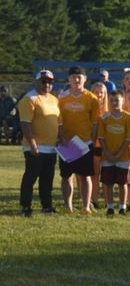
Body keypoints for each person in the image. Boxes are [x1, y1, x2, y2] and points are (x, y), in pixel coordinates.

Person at [18, 70, 62, 217]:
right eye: (44, 81)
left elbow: (57, 122)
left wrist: (61, 138)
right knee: (31, 177)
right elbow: (25, 123)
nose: (47, 84)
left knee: (47, 179)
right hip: (35, 146)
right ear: (36, 82)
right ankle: (25, 206)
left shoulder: (54, 99)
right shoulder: (29, 99)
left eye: (50, 82)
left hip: (51, 148)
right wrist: (32, 143)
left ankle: (47, 206)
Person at [57, 66, 100, 213]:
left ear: (85, 79)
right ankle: (68, 206)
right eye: (73, 77)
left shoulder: (91, 98)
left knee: (85, 176)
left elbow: (95, 122)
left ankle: (85, 206)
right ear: (69, 79)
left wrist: (93, 140)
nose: (76, 80)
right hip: (66, 143)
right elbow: (59, 121)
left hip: (84, 143)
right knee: (66, 176)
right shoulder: (62, 98)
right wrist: (62, 138)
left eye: (79, 77)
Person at [97, 89, 130, 216]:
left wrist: (118, 154)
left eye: (117, 100)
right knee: (108, 183)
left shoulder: (128, 118)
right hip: (107, 157)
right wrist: (107, 153)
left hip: (123, 157)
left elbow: (129, 139)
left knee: (122, 183)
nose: (114, 103)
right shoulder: (104, 118)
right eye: (111, 101)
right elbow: (101, 138)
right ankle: (110, 207)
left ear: (123, 101)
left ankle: (122, 207)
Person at [89, 81, 109, 198]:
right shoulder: (89, 108)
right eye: (96, 92)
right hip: (94, 145)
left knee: (106, 175)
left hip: (107, 147)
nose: (99, 94)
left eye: (101, 92)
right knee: (95, 174)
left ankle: (108, 202)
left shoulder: (109, 109)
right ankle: (94, 199)